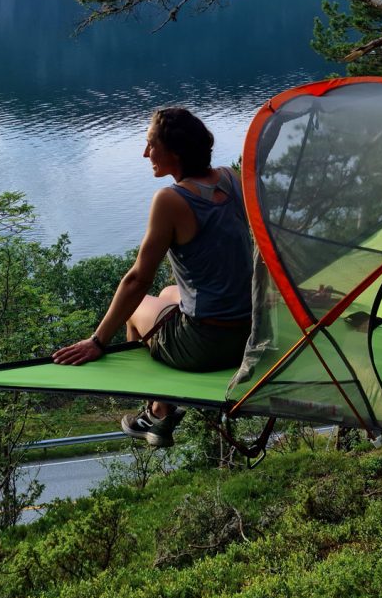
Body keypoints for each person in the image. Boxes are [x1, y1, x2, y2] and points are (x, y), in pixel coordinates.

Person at [52, 107, 253, 447]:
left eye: (150, 145)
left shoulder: (171, 200)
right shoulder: (230, 179)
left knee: (137, 305)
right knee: (169, 291)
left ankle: (157, 414)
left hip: (208, 346)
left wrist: (97, 341)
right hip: (249, 333)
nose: (145, 153)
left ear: (174, 152)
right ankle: (161, 409)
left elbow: (136, 280)